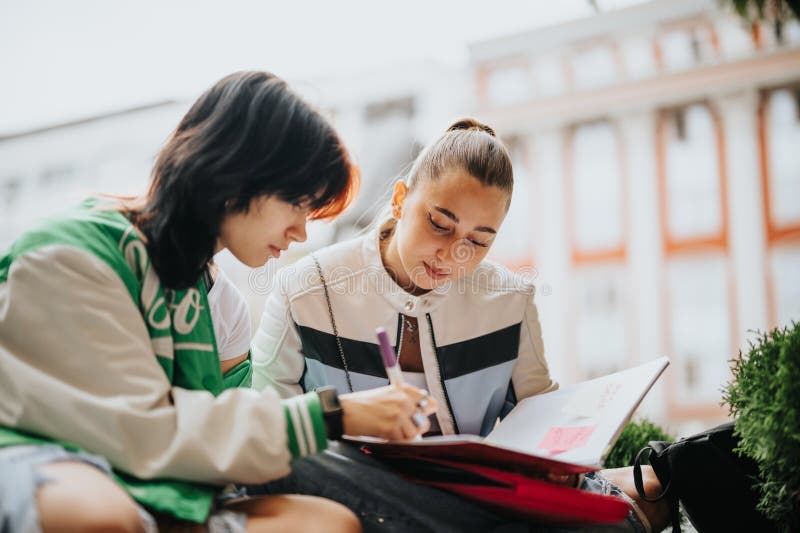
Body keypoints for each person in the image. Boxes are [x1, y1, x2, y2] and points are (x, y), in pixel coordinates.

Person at [0, 70, 436, 533]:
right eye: (297, 203)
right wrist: (333, 413)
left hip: (156, 475)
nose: (302, 232)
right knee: (97, 516)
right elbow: (139, 429)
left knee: (327, 523)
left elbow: (220, 433)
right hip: (47, 452)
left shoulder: (214, 294)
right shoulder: (73, 253)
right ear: (235, 172)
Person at [250, 119, 670, 532]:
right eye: (439, 224)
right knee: (301, 457)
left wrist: (562, 465)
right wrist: (347, 419)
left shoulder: (511, 301)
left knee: (615, 509)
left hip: (470, 491)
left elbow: (541, 413)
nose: (453, 255)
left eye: (479, 240)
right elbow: (267, 430)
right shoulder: (306, 288)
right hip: (353, 483)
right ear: (400, 200)